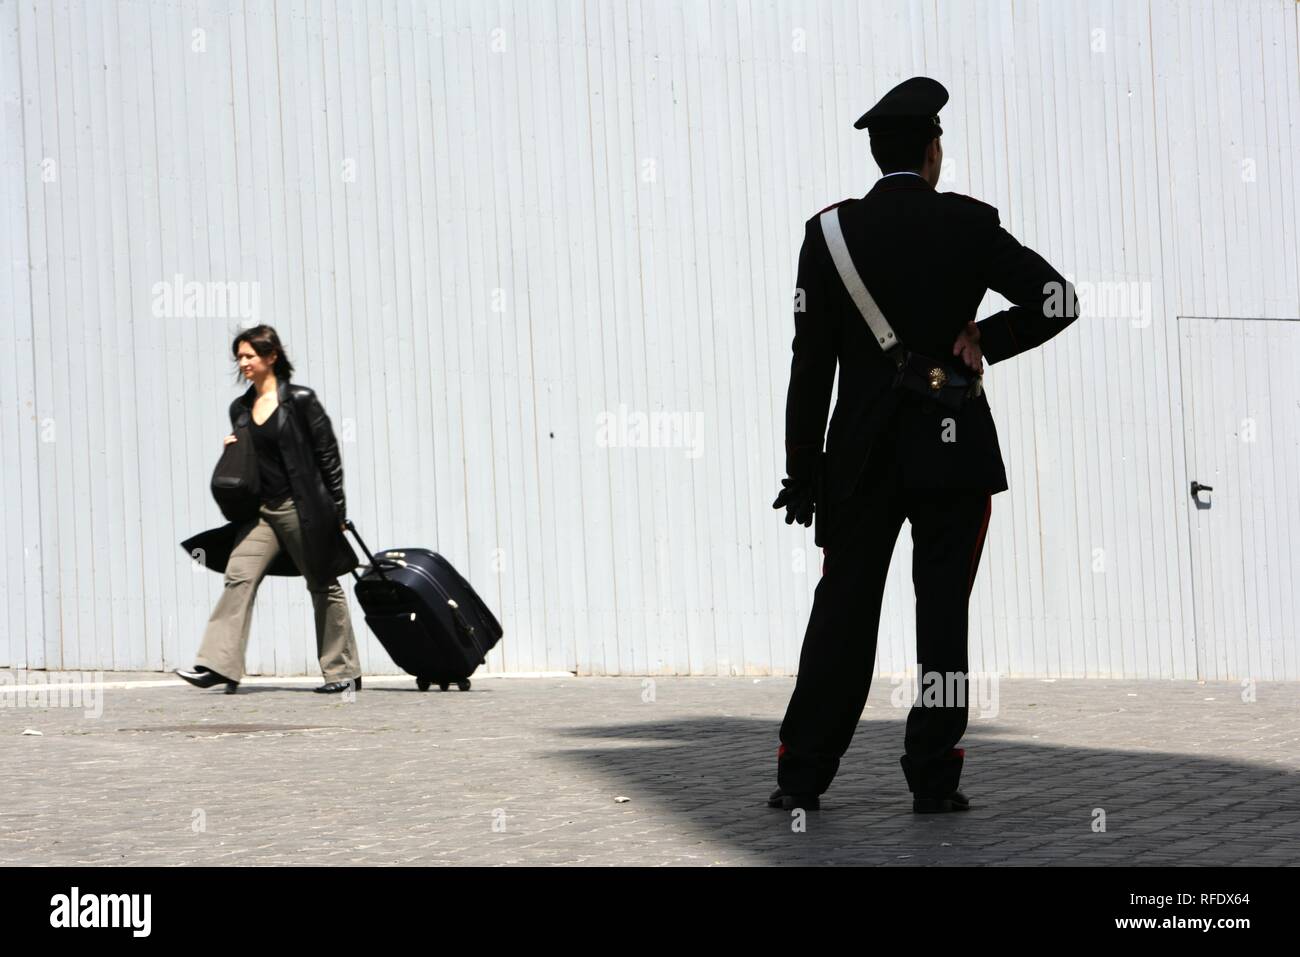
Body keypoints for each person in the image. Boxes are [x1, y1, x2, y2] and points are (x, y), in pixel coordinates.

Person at [769, 77, 1079, 812]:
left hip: (859, 460)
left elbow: (808, 363)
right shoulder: (970, 227)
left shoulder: (831, 235)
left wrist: (801, 468)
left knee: (843, 613)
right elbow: (1058, 298)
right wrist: (988, 339)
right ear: (933, 152)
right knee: (942, 617)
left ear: (877, 155)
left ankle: (802, 773)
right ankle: (934, 775)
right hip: (953, 453)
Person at [177, 325, 363, 695]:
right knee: (238, 576)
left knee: (322, 583)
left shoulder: (300, 400)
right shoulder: (241, 408)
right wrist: (233, 447)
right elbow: (249, 461)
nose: (243, 363)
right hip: (261, 512)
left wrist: (336, 512)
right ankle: (219, 665)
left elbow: (328, 456)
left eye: (249, 356)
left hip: (301, 508)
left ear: (271, 357)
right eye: (239, 357)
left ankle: (343, 672)